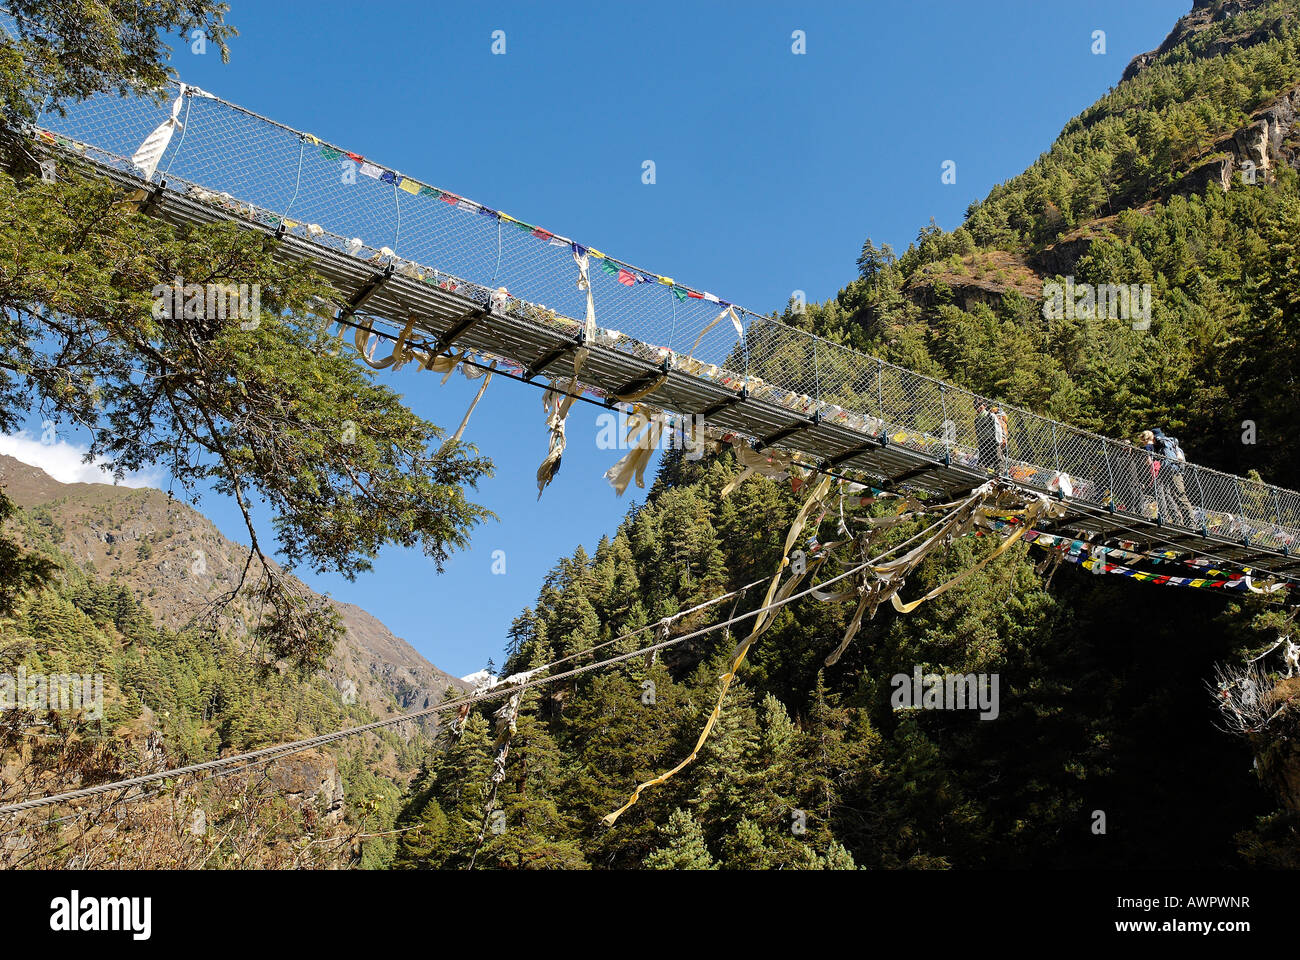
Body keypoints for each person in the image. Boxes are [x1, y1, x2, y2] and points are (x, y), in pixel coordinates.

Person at [1151, 427, 1195, 527]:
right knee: (1172, 496)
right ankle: (1181, 521)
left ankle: (1190, 523)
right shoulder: (1172, 443)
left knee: (1179, 496)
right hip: (1173, 472)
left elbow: (1159, 443)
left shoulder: (1163, 441)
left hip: (1172, 471)